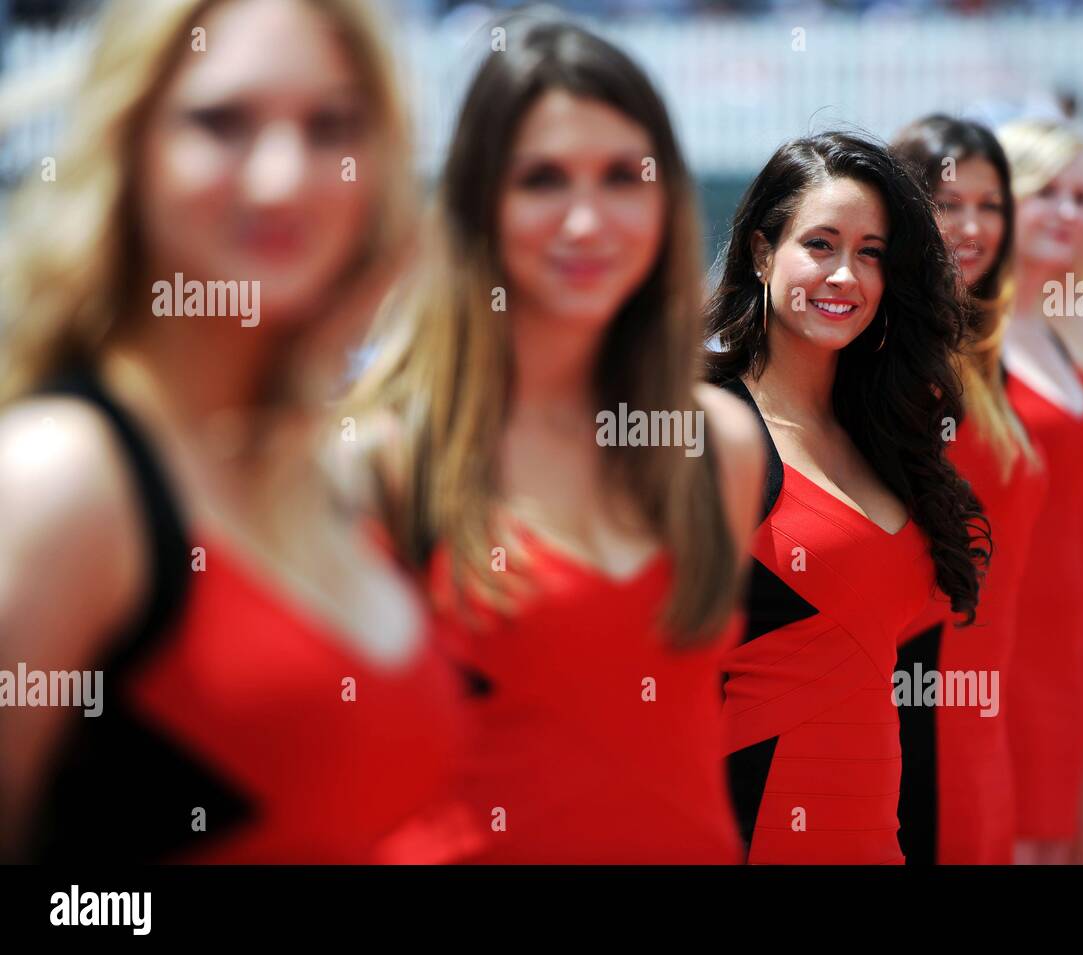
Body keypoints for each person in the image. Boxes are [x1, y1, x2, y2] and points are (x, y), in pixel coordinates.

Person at [0, 0, 472, 863]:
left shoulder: (327, 473)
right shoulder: (61, 478)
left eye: (332, 124)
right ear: (129, 141)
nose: (281, 177)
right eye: (222, 121)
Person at [351, 17, 764, 864]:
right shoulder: (384, 459)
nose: (587, 222)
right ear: (478, 203)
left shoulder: (718, 444)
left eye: (623, 176)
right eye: (542, 179)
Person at [704, 130, 988, 864]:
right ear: (764, 253)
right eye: (820, 244)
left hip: (873, 833)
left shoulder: (886, 428)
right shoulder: (708, 428)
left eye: (870, 253)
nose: (845, 275)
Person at [891, 115, 1045, 865]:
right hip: (916, 684)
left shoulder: (979, 343)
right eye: (950, 204)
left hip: (981, 683)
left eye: (991, 205)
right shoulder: (887, 351)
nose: (974, 226)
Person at [996, 119, 1083, 864]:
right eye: (1047, 193)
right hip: (997, 645)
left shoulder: (1067, 328)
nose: (1070, 212)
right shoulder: (969, 333)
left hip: (1074, 635)